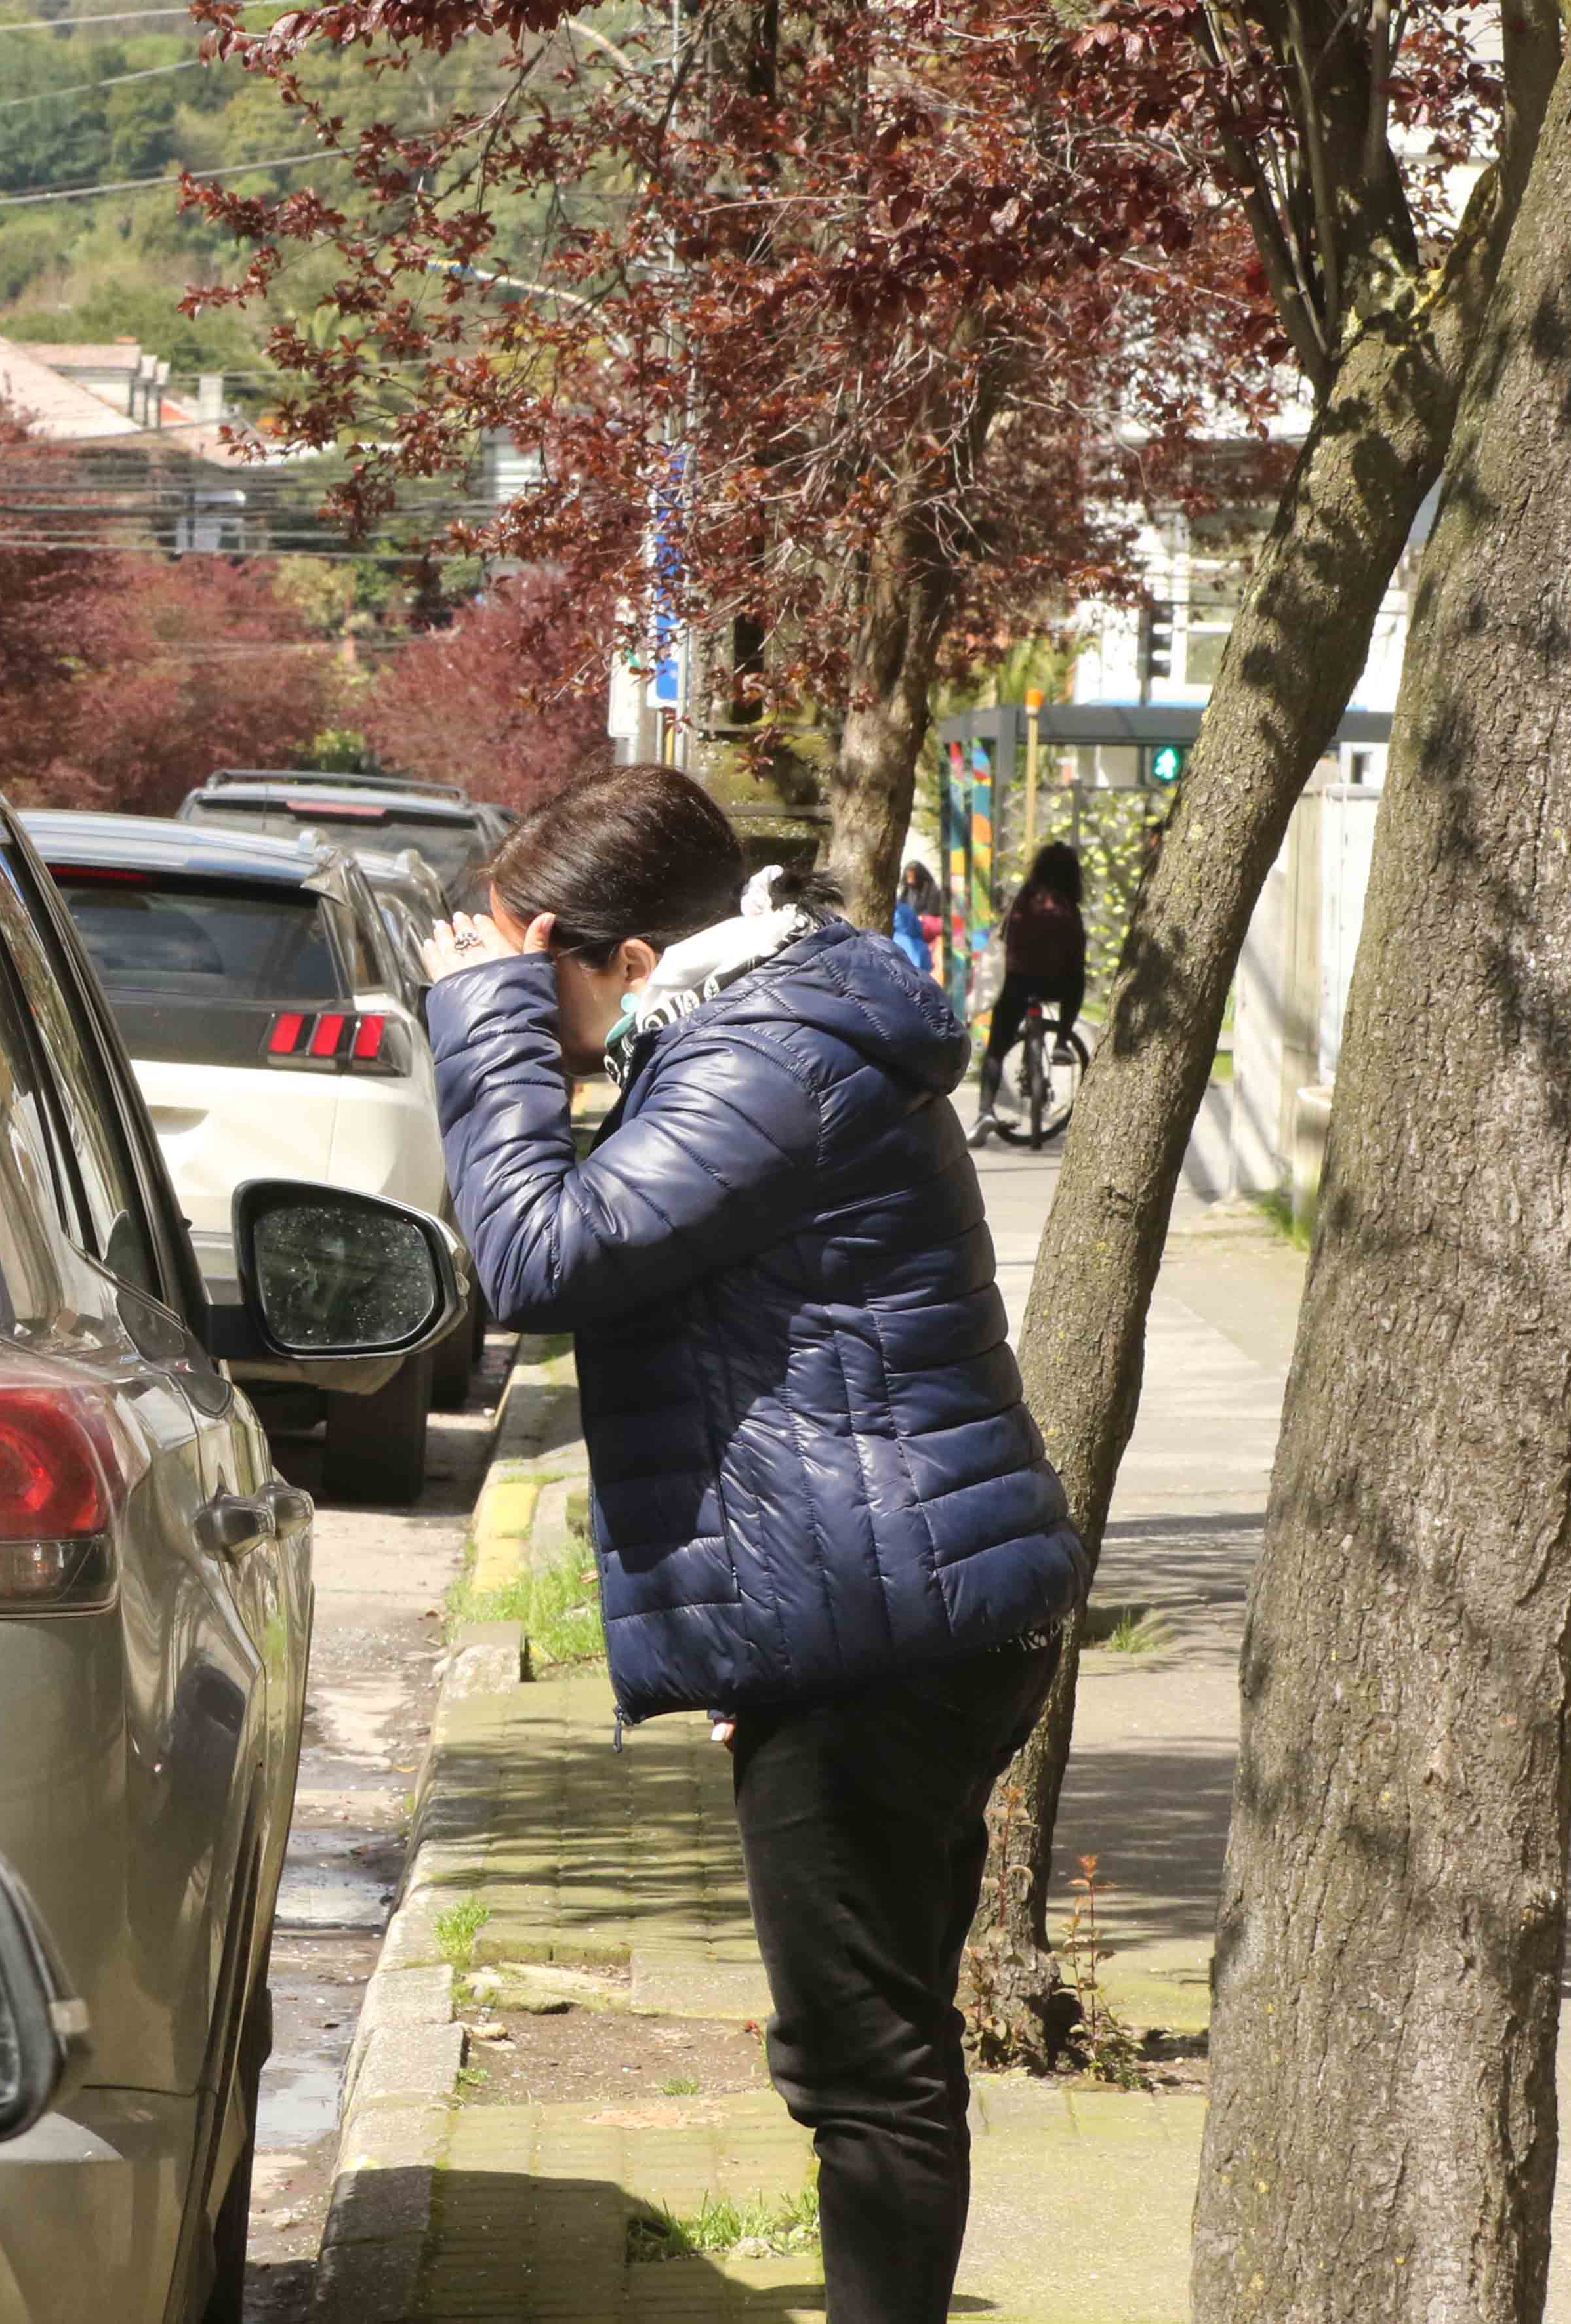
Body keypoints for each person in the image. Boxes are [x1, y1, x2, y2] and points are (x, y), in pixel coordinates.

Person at [416, 765, 1084, 2324]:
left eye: (540, 966)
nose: (526, 998)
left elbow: (536, 1256)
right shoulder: (759, 1035)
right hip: (873, 1601)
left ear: (628, 958)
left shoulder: (760, 1060)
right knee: (879, 2044)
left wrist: (486, 1029)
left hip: (882, 1624)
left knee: (860, 2064)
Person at [974, 842, 1086, 1137]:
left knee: (997, 1048)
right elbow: (1077, 956)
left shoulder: (1024, 900)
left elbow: (1006, 936)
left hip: (1017, 983)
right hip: (1057, 985)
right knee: (1079, 980)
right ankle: (1062, 1041)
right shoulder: (1070, 907)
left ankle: (985, 1112)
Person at [890, 859, 942, 974]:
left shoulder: (932, 893)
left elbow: (934, 914)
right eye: (908, 877)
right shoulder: (906, 894)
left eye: (913, 877)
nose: (910, 880)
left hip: (926, 933)